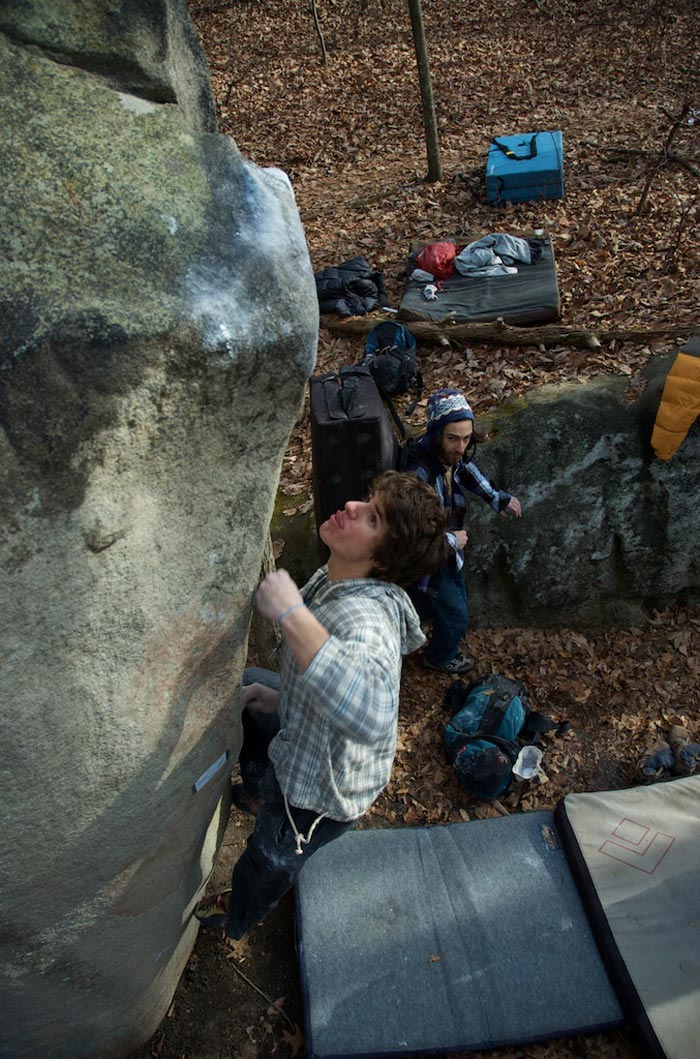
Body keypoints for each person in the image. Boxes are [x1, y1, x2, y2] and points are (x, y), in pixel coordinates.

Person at [193, 470, 448, 942]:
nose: (351, 506)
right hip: (311, 737)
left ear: (384, 561)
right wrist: (281, 698)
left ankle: (238, 918)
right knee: (254, 687)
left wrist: (290, 613)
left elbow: (367, 715)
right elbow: (325, 675)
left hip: (317, 799)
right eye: (366, 498)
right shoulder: (338, 579)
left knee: (268, 858)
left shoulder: (366, 620)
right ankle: (259, 790)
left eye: (372, 518)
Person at [405, 388, 522, 674]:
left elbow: (466, 470)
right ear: (436, 433)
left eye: (467, 438)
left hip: (446, 553)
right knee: (457, 616)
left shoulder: (450, 455)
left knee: (456, 600)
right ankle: (440, 657)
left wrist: (498, 498)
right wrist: (451, 539)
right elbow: (413, 531)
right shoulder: (418, 473)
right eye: (453, 438)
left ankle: (434, 638)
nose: (460, 447)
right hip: (429, 558)